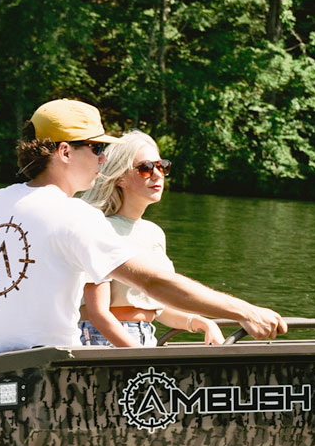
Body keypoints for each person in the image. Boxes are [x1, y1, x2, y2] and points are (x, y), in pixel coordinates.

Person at [0, 98, 284, 355]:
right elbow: (153, 283)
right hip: (51, 376)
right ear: (65, 151)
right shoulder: (72, 214)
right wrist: (244, 310)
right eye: (98, 148)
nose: (104, 158)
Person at [75, 132, 227, 347]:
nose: (157, 174)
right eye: (145, 168)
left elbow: (158, 308)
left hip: (145, 337)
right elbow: (97, 314)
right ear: (120, 177)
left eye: (162, 166)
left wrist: (202, 323)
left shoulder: (154, 233)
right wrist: (139, 358)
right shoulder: (100, 227)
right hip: (104, 340)